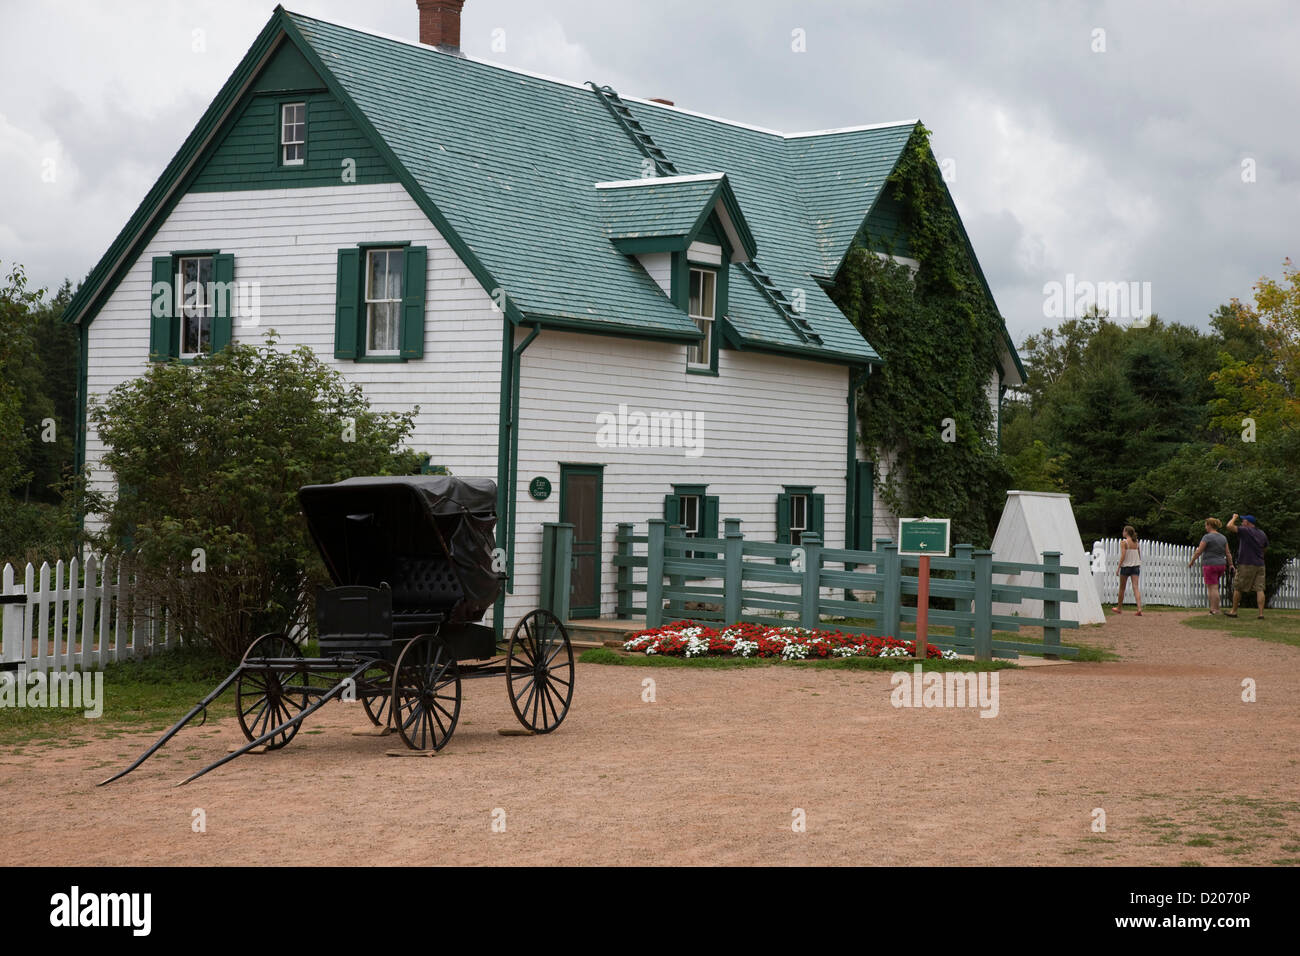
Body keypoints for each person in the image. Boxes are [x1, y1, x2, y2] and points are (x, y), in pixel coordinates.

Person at [1224, 513, 1268, 619]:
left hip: (1246, 563)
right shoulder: (1262, 533)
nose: (1242, 522)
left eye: (1243, 521)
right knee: (1259, 589)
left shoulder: (1246, 531)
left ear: (1247, 523)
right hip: (1260, 564)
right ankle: (1261, 614)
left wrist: (1234, 518)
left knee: (1238, 587)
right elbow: (1265, 548)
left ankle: (1234, 611)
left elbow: (1229, 526)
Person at [1188, 517, 1233, 614]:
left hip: (1210, 564)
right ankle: (1216, 609)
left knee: (1212, 587)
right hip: (1221, 565)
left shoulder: (1207, 537)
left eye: (1206, 525)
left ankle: (1214, 609)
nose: (1205, 527)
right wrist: (1231, 564)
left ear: (1209, 525)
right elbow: (1228, 553)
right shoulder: (1223, 537)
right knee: (1215, 586)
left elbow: (1199, 551)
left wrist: (1192, 561)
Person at [1114, 525, 1142, 615]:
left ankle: (1119, 608)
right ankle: (1139, 608)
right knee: (1136, 587)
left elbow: (1123, 556)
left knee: (1122, 588)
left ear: (1126, 532)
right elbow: (1139, 554)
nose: (1123, 532)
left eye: (1123, 531)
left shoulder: (1124, 542)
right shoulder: (1136, 542)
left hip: (1126, 567)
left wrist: (1118, 567)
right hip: (1136, 567)